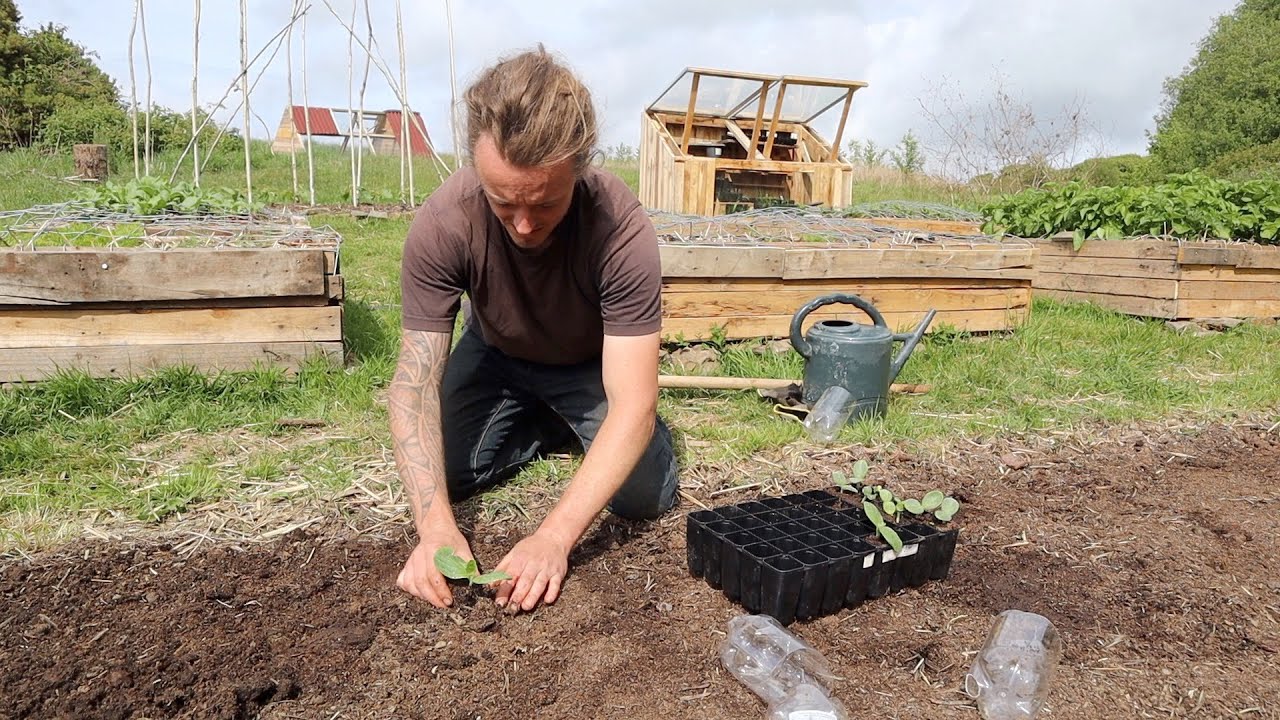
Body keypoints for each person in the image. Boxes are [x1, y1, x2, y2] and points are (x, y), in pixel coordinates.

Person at [389, 46, 679, 615]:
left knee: (645, 495)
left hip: (588, 364)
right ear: (476, 170)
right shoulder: (446, 222)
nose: (523, 225)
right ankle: (552, 426)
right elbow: (413, 385)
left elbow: (634, 402)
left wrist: (554, 537)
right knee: (446, 475)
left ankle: (574, 419)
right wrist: (435, 531)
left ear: (579, 168)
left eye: (544, 203)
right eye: (504, 203)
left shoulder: (618, 227)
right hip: (496, 354)